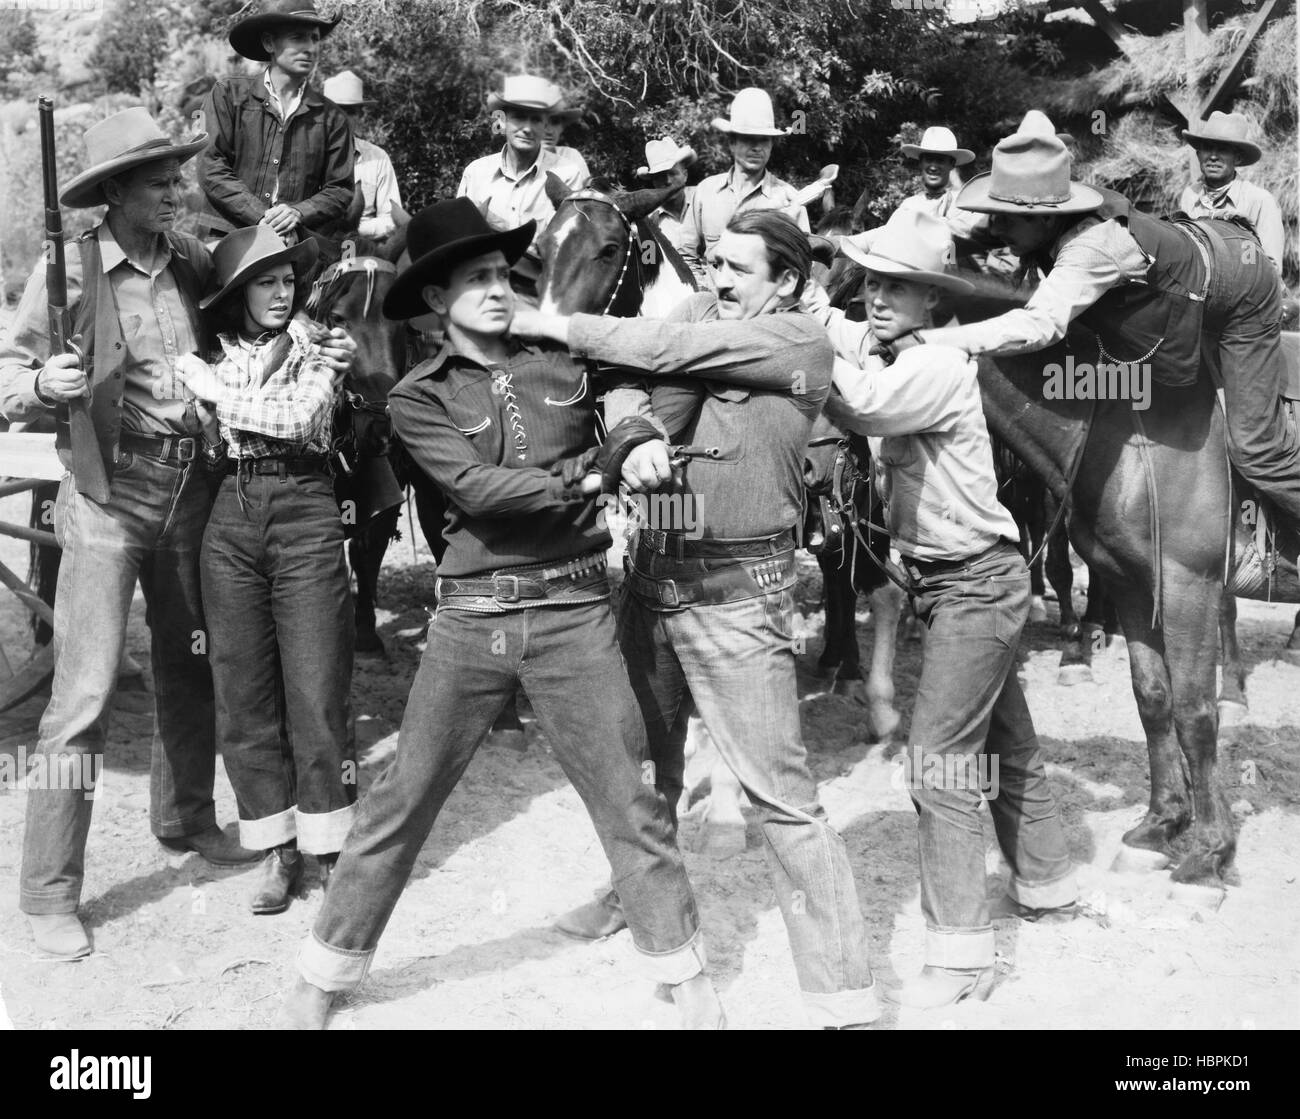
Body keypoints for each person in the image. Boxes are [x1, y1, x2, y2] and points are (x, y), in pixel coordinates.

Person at [279, 199, 722, 1030]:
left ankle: (688, 979)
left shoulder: (565, 359)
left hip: (576, 611)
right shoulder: (420, 397)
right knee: (402, 798)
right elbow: (480, 490)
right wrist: (596, 478)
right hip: (471, 621)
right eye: (474, 279)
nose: (494, 289)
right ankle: (321, 975)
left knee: (628, 799)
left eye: (500, 274)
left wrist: (634, 426)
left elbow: (631, 385)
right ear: (437, 300)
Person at [513, 209, 882, 1030]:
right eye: (713, 262)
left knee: (782, 797)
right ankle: (633, 900)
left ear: (785, 282)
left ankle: (844, 992)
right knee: (639, 766)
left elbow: (659, 351)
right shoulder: (698, 317)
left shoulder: (799, 341)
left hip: (738, 591)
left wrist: (554, 321)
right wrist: (638, 426)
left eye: (738, 271)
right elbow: (627, 374)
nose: (718, 279)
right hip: (651, 575)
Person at [805, 208, 1079, 1008]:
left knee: (939, 765)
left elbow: (858, 403)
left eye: (901, 288)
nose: (880, 298)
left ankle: (962, 954)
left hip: (975, 585)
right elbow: (845, 336)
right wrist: (807, 304)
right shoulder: (892, 345)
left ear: (934, 302)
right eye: (873, 283)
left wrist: (788, 347)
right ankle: (1047, 876)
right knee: (1007, 744)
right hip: (954, 584)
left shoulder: (933, 369)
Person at [920, 112, 1300, 539]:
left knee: (1254, 448)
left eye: (1005, 218)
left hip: (1245, 290)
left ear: (1045, 217)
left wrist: (937, 341)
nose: (996, 228)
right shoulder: (1043, 213)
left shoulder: (1091, 248)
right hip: (1202, 266)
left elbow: (1041, 324)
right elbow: (956, 229)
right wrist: (849, 247)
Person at [172, 226, 355, 915]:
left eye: (287, 281)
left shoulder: (319, 348)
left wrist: (212, 393)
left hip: (305, 507)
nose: (280, 294)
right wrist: (203, 393)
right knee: (243, 688)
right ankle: (277, 849)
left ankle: (329, 846)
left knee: (314, 683)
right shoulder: (212, 353)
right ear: (238, 293)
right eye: (264, 282)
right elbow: (195, 424)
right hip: (230, 512)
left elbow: (294, 418)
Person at [197, 0, 355, 244]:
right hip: (229, 238)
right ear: (269, 43)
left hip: (294, 244)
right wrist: (261, 217)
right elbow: (211, 166)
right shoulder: (228, 96)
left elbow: (340, 189)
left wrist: (298, 212)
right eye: (298, 37)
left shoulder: (332, 118)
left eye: (314, 39)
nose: (310, 48)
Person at [456, 74, 587, 286]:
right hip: (483, 287)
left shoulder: (567, 173)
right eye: (518, 117)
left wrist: (503, 229)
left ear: (545, 125)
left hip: (540, 290)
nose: (527, 128)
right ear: (502, 121)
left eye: (535, 119)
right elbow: (458, 240)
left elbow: (571, 249)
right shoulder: (477, 173)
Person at [678, 88, 811, 286]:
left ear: (772, 145)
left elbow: (802, 267)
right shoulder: (706, 192)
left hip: (765, 310)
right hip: (711, 308)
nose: (757, 148)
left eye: (764, 140)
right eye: (749, 139)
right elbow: (685, 256)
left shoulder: (789, 199)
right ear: (732, 143)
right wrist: (703, 295)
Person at [1179, 111, 1285, 277]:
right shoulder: (1190, 195)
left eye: (1223, 149)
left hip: (1245, 294)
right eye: (1207, 148)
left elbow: (1271, 268)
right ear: (1199, 155)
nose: (1213, 156)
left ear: (1238, 159)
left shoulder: (1259, 201)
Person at [322, 69, 404, 242]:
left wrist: (355, 231)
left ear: (360, 115)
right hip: (313, 245)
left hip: (363, 247)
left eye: (350, 112)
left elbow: (391, 218)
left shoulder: (377, 157)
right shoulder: (305, 155)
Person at [635, 137, 697, 251]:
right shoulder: (646, 222)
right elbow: (649, 262)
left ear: (685, 175)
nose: (668, 181)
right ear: (653, 183)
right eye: (660, 176)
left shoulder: (704, 200)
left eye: (673, 173)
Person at [540, 94, 591, 183]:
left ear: (562, 127)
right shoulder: (512, 163)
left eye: (555, 122)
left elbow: (587, 192)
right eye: (542, 122)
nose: (549, 131)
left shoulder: (571, 156)